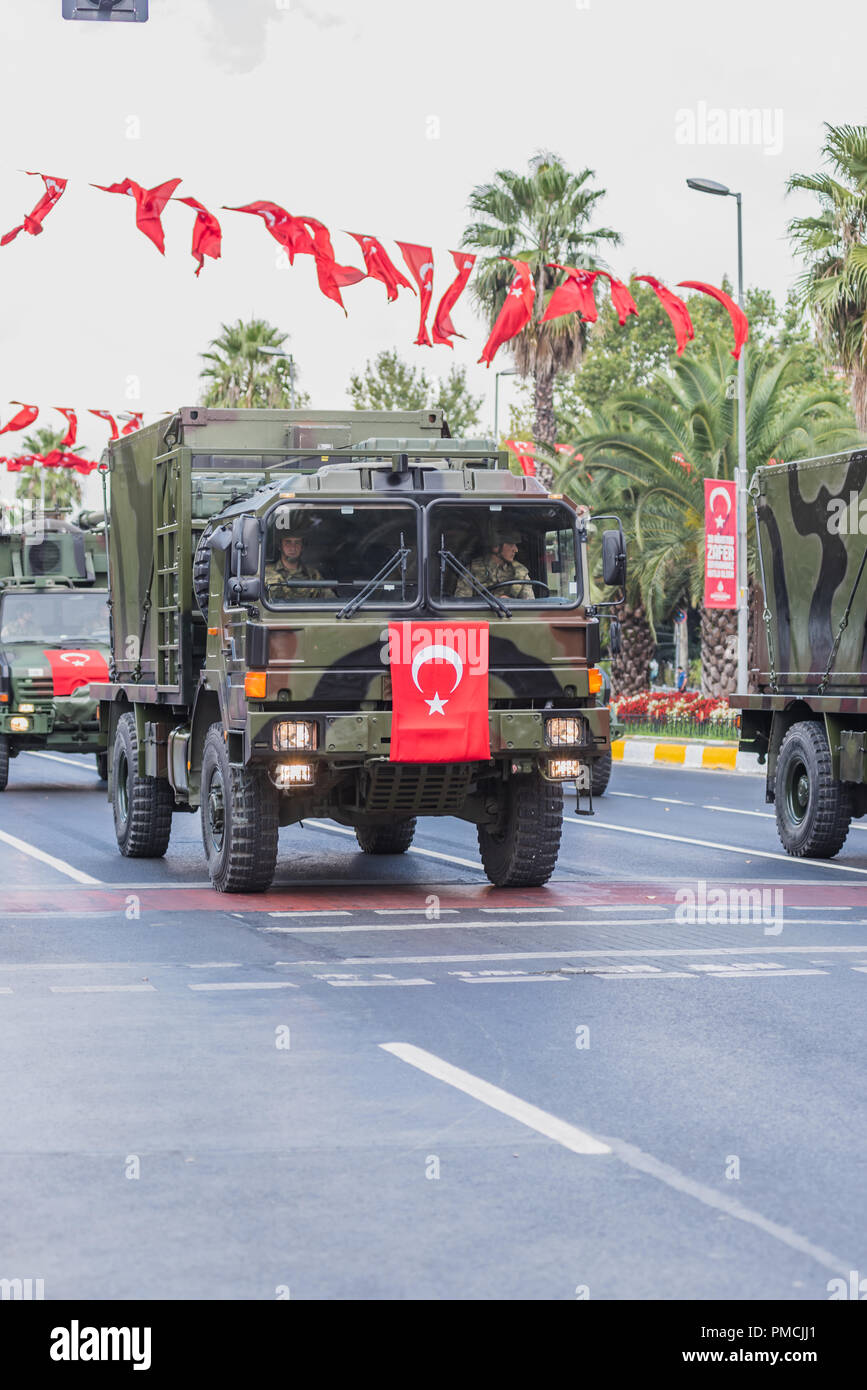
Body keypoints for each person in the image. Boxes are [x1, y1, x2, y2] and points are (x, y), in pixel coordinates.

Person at [454, 529, 535, 600]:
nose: (516, 550)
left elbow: (530, 606)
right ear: (496, 547)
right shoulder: (473, 570)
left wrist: (512, 602)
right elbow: (462, 603)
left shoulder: (520, 572)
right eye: (511, 545)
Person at [265, 532, 334, 602]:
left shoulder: (313, 575)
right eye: (288, 543)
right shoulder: (265, 573)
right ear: (280, 546)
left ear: (302, 547)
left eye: (297, 543)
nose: (293, 548)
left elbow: (331, 602)